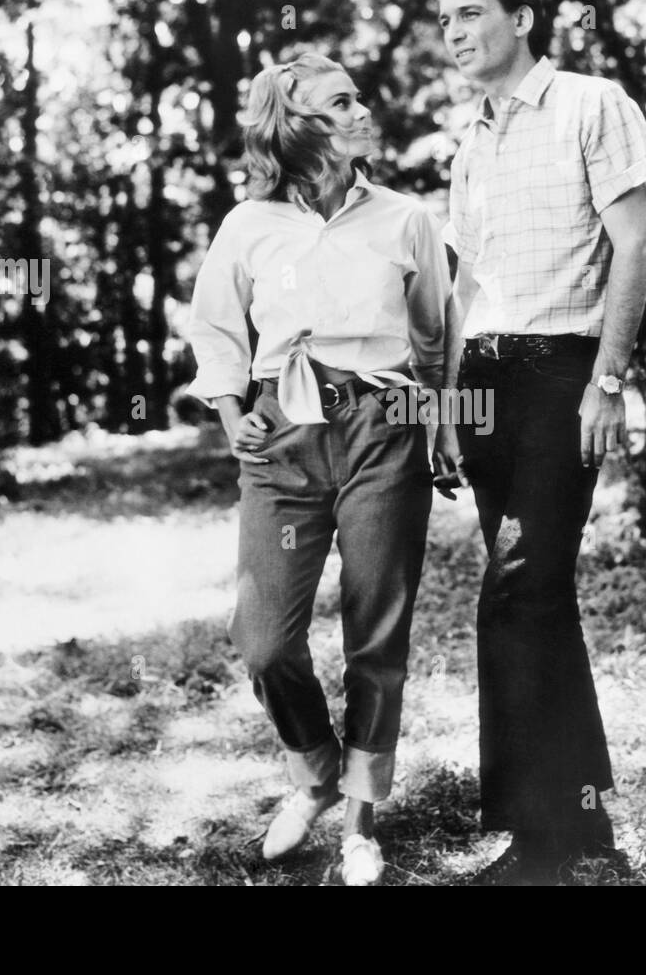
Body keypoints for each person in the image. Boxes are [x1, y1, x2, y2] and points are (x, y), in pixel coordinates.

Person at [185, 52, 449, 886]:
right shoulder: (249, 225)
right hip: (283, 433)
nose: (364, 108)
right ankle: (315, 771)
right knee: (263, 641)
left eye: (361, 96)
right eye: (344, 101)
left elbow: (437, 335)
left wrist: (438, 421)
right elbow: (216, 330)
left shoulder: (405, 218)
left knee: (377, 633)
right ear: (296, 125)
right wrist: (235, 420)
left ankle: (361, 823)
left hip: (384, 427)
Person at [429, 0, 646, 884]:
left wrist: (607, 380)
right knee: (540, 599)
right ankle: (584, 815)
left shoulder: (591, 104)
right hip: (484, 378)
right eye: (443, 18)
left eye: (469, 13)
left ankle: (536, 841)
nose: (452, 32)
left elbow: (635, 246)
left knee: (517, 588)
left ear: (522, 18)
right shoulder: (470, 141)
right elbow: (461, 287)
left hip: (564, 371)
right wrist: (447, 401)